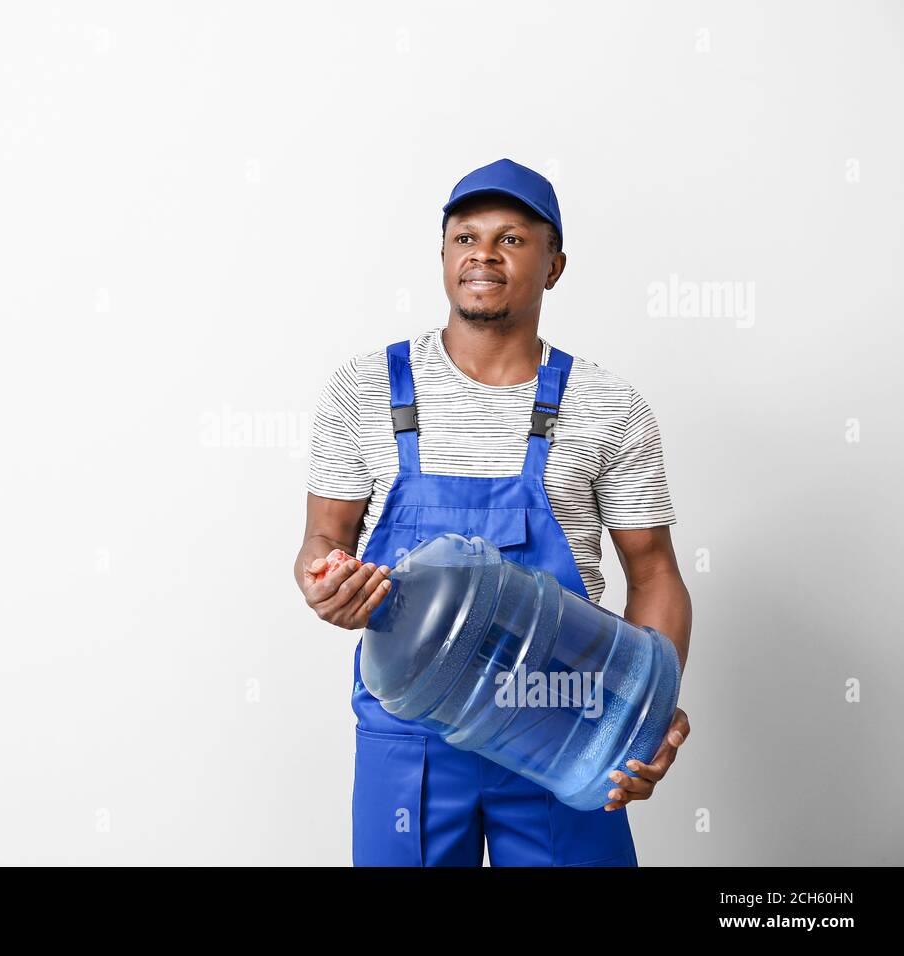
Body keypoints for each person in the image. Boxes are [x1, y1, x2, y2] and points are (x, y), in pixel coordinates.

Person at [294, 158, 692, 867]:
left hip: (564, 725)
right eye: (465, 236)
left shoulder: (610, 405)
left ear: (554, 264)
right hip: (408, 730)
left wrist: (645, 714)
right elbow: (324, 539)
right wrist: (324, 583)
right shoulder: (363, 389)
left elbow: (654, 572)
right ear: (444, 256)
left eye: (511, 238)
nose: (483, 252)